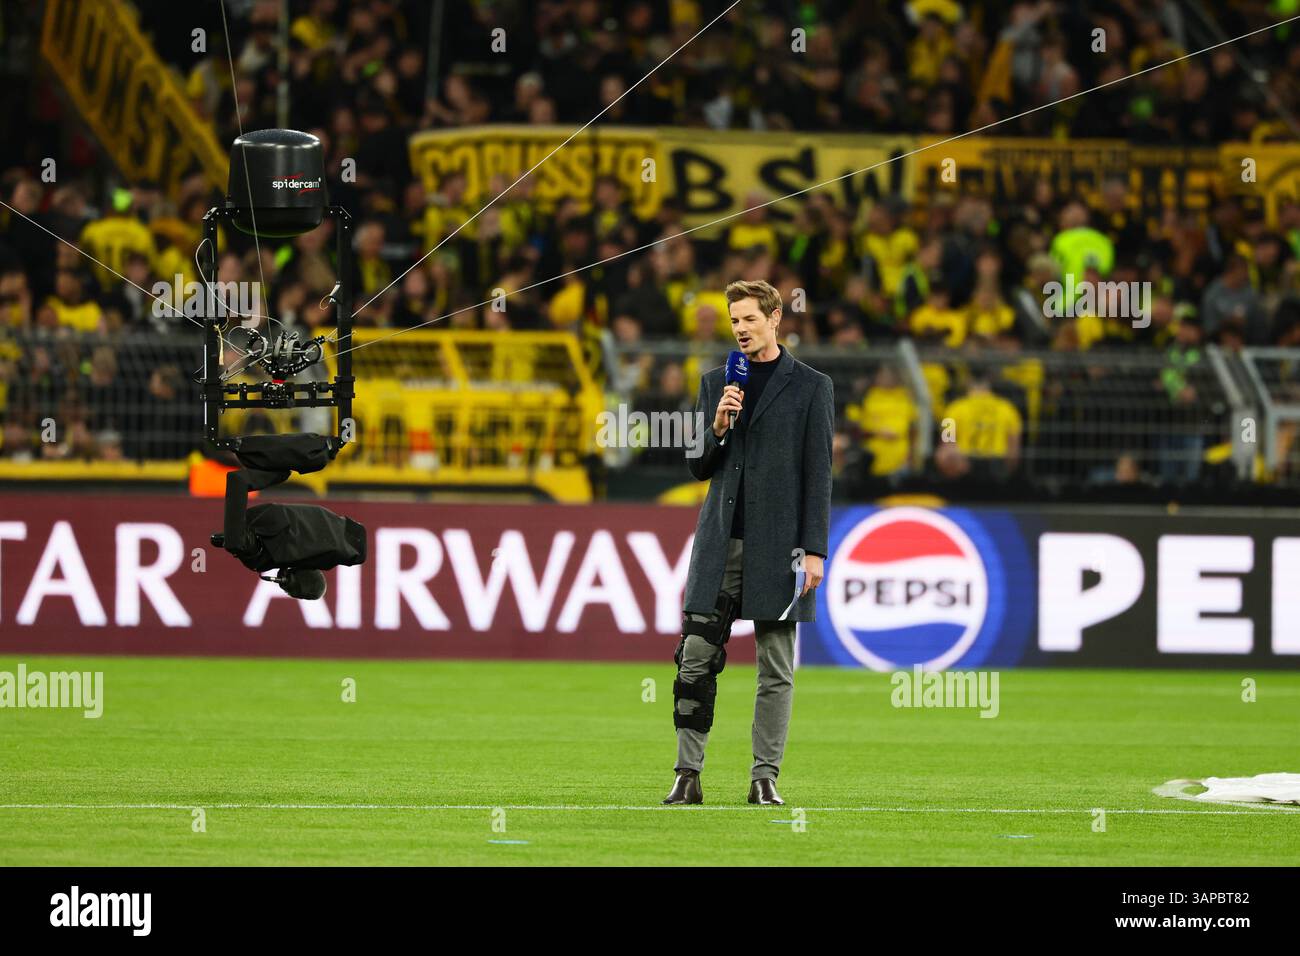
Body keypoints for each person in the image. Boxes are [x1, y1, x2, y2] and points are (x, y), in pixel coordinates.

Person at [665, 279, 834, 806]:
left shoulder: (811, 387)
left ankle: (765, 779)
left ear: (776, 316)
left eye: (749, 319)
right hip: (720, 545)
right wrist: (716, 425)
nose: (740, 329)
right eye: (734, 320)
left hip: (781, 549)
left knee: (775, 669)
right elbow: (697, 463)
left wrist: (815, 549)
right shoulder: (717, 382)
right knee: (694, 659)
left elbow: (818, 473)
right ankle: (687, 776)